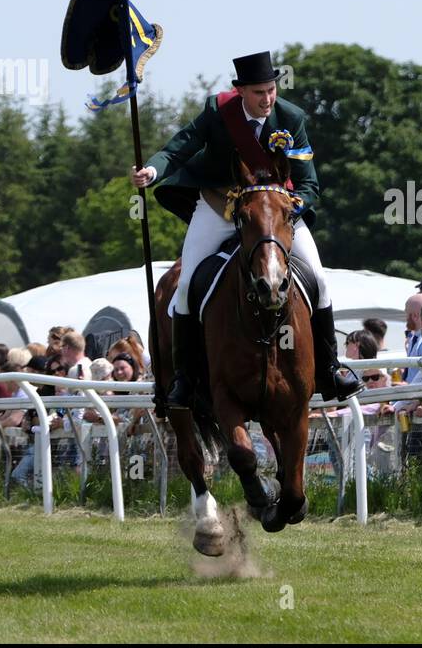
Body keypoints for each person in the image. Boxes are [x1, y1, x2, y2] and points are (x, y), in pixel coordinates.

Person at [133, 51, 360, 404]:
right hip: (220, 206)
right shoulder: (217, 112)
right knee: (187, 283)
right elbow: (180, 147)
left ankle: (330, 369)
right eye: (259, 93)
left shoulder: (291, 118)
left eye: (271, 90)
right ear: (240, 91)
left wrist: (285, 211)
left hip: (274, 214)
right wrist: (152, 170)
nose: (267, 99)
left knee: (319, 278)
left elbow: (308, 184)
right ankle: (185, 378)